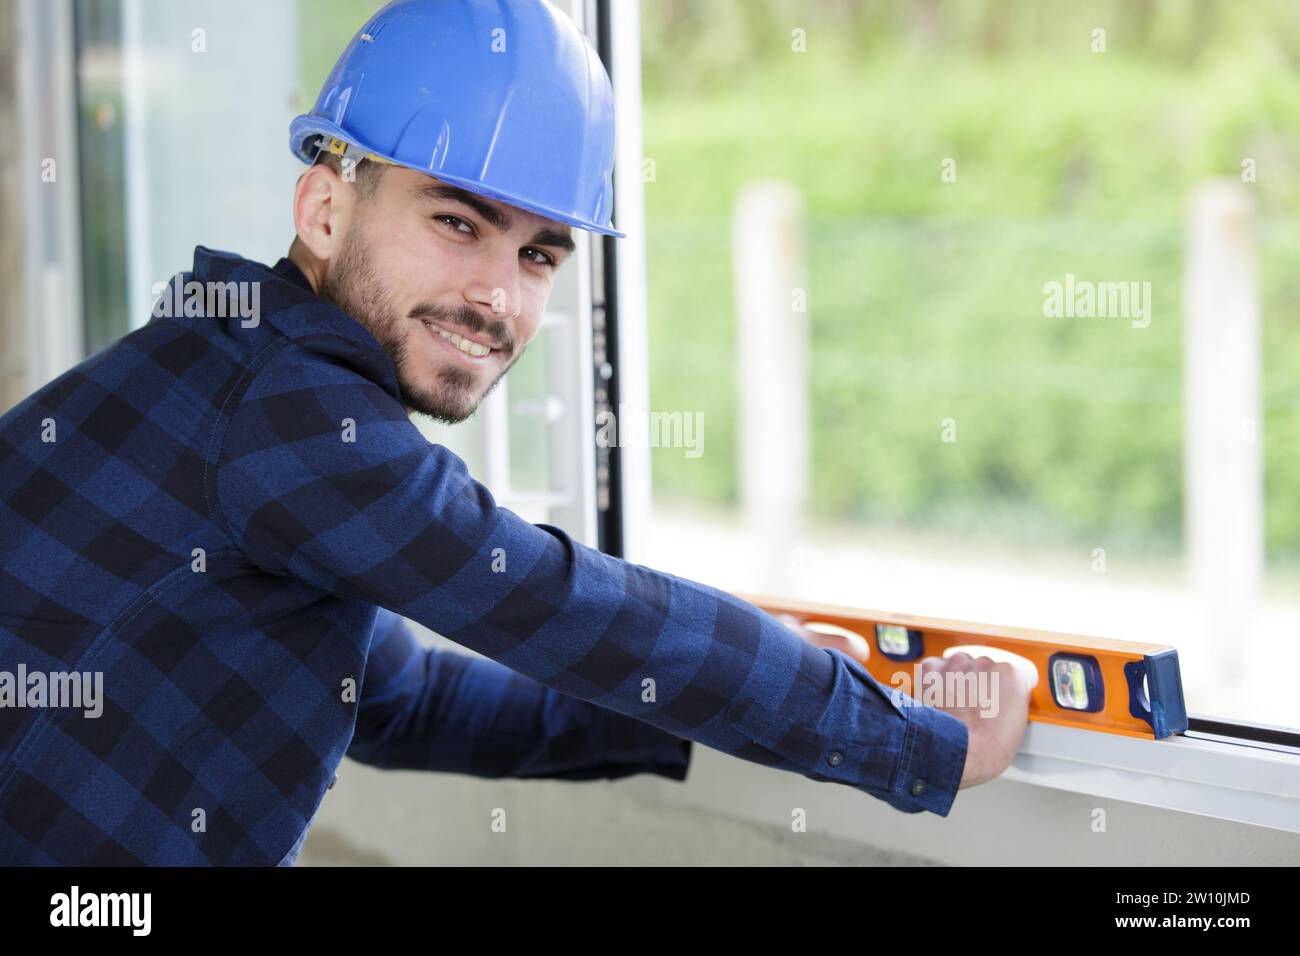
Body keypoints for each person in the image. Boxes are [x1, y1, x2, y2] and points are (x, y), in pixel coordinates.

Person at [0, 0, 1028, 866]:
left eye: (539, 255)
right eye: (456, 222)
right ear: (323, 208)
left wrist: (708, 706)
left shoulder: (236, 370)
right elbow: (563, 602)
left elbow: (404, 696)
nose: (496, 294)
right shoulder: (287, 417)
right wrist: (917, 745)